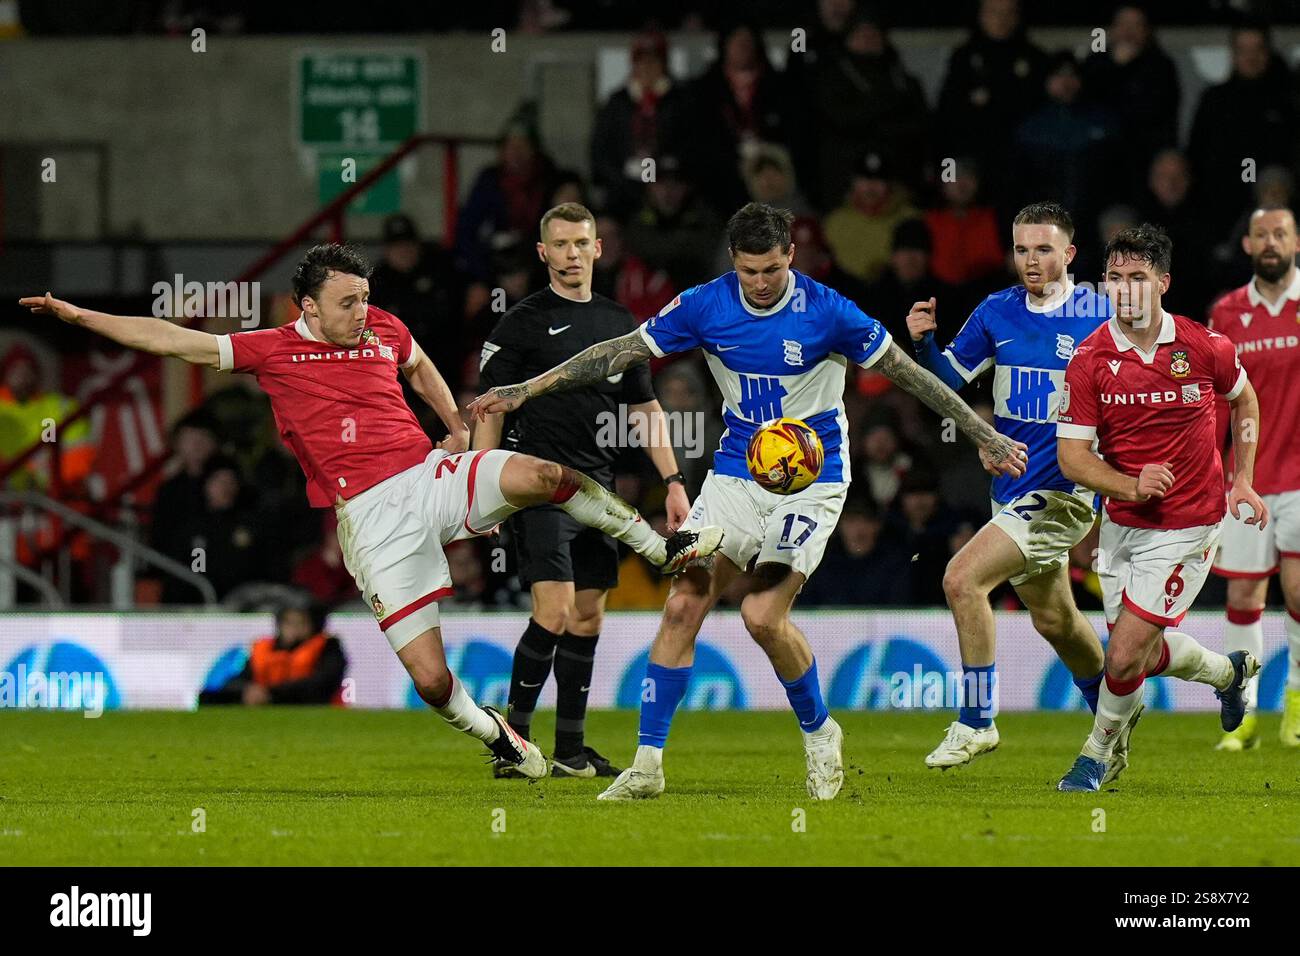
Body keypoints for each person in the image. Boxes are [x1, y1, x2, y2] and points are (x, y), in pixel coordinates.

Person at [20, 243, 723, 780]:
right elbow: (174, 339)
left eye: (365, 297)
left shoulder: (382, 327)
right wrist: (81, 316)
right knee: (431, 681)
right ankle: (500, 737)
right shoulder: (271, 350)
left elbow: (416, 362)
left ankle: (657, 546)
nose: (363, 311)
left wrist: (452, 423)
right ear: (308, 307)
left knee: (542, 472)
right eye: (348, 302)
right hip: (372, 521)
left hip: (429, 474)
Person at [470, 202, 1028, 801]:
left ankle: (820, 733)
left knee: (762, 616)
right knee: (684, 603)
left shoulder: (829, 311)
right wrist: (525, 389)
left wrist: (986, 435)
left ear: (790, 255)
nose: (760, 283)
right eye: (748, 271)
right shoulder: (706, 304)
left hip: (813, 482)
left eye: (770, 269)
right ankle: (648, 764)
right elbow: (618, 353)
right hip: (737, 473)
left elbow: (908, 374)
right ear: (733, 262)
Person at [474, 202, 690, 779]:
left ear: (598, 248)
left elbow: (645, 408)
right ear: (542, 253)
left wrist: (672, 481)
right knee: (556, 607)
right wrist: (481, 489)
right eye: (561, 245)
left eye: (581, 243)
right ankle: (512, 746)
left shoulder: (621, 322)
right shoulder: (520, 323)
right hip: (538, 488)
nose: (572, 254)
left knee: (589, 615)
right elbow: (488, 409)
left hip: (600, 492)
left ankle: (569, 750)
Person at [1055, 223, 1267, 792]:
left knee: (1121, 658)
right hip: (1123, 526)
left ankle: (1097, 756)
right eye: (1115, 278)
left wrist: (1242, 479)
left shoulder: (1204, 346)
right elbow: (1073, 458)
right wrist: (1128, 485)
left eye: (1138, 279)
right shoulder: (1090, 360)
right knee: (1142, 659)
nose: (1124, 290)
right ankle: (1228, 673)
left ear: (1163, 284)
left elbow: (1244, 397)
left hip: (1191, 523)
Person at [907, 202, 1114, 773]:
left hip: (1063, 495)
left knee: (961, 578)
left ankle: (977, 721)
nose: (1031, 260)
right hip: (1012, 491)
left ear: (1069, 254)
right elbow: (947, 383)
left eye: (1044, 249)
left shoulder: (1102, 316)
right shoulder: (996, 311)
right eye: (1022, 249)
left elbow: (1129, 402)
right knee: (1057, 622)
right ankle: (1113, 718)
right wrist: (925, 345)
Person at [1207, 207, 1300, 750]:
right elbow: (1219, 402)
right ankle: (1242, 715)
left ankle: (1295, 708)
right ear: (1246, 244)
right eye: (1261, 234)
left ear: (1295, 241)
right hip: (1246, 478)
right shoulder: (1227, 311)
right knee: (1243, 592)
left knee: (1297, 593)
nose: (1271, 242)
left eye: (1280, 233)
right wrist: (1213, 471)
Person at [199, 601, 346, 706]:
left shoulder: (327, 647)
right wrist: (248, 691)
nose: (293, 629)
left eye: (300, 623)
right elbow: (240, 679)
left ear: (313, 626)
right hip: (268, 703)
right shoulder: (264, 648)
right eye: (288, 622)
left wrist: (271, 693)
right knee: (209, 697)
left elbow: (321, 684)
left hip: (306, 706)